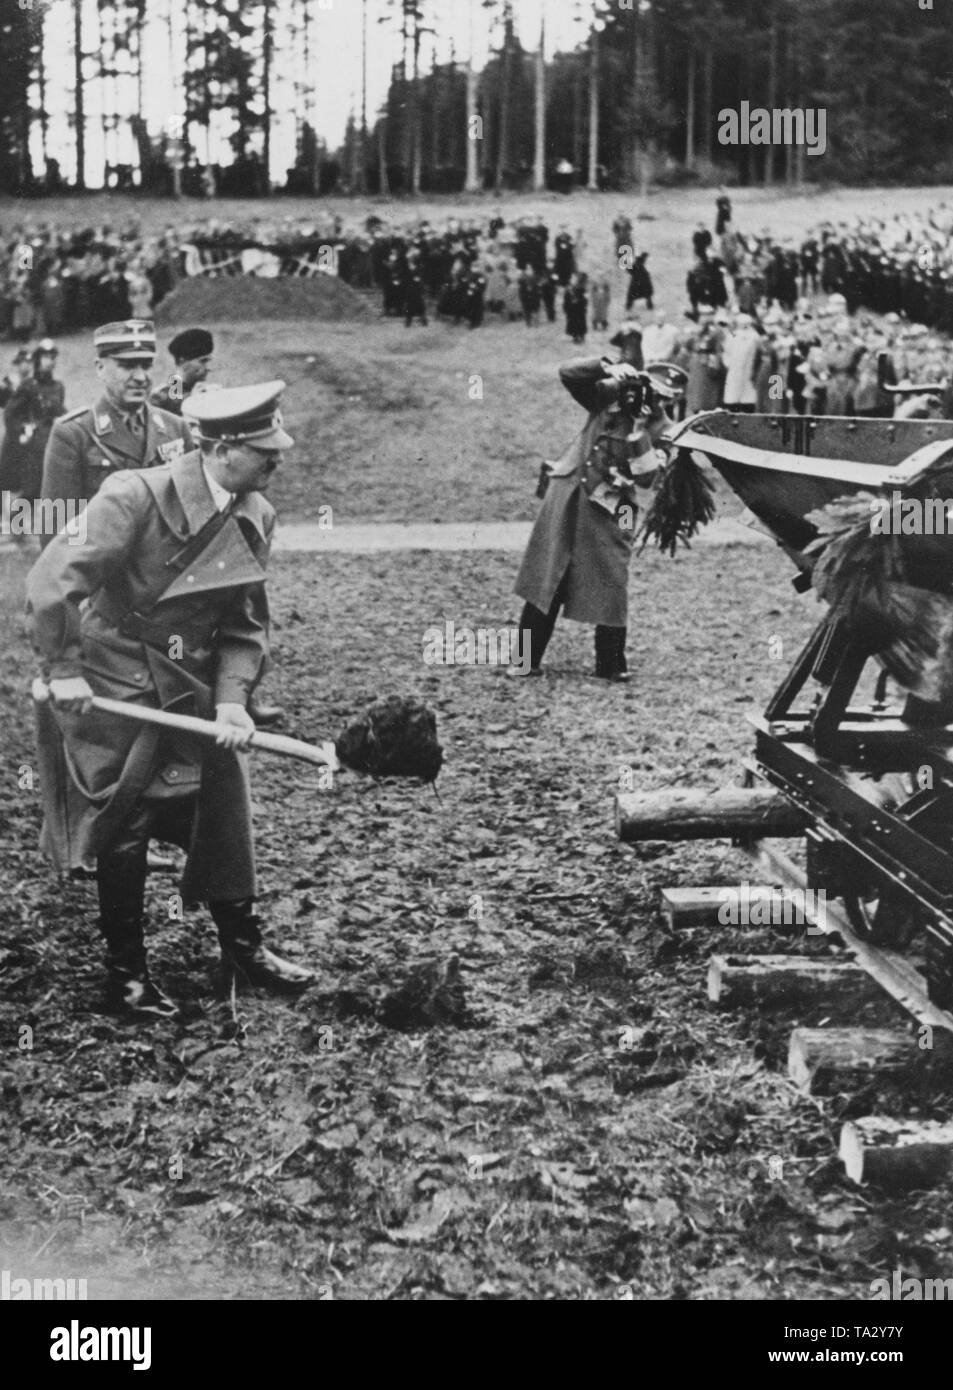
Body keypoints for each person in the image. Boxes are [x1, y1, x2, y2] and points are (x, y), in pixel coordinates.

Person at [25, 381, 315, 1022]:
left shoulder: (254, 514)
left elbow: (244, 626)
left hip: (191, 684)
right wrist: (64, 668)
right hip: (114, 676)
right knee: (125, 818)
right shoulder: (133, 496)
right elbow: (53, 579)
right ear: (220, 448)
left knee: (219, 803)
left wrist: (234, 701)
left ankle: (244, 949)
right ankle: (126, 977)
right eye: (265, 450)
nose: (279, 459)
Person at [512, 358, 684, 682]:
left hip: (618, 505)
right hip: (569, 493)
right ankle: (524, 659)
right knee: (548, 573)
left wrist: (638, 431)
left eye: (660, 397)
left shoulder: (666, 430)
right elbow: (568, 373)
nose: (648, 399)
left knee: (613, 577)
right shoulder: (608, 398)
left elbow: (649, 478)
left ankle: (611, 665)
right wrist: (608, 367)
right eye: (647, 390)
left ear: (670, 400)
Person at [38, 320, 193, 548]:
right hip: (106, 576)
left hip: (167, 575)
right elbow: (57, 531)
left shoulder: (175, 428)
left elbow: (193, 512)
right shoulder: (73, 434)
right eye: (128, 365)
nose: (141, 377)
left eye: (146, 365)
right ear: (100, 367)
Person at [0, 340, 65, 518]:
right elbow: (10, 414)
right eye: (46, 357)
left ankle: (50, 534)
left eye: (53, 357)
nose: (50, 361)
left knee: (52, 488)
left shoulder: (58, 387)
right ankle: (16, 528)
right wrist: (23, 430)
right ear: (38, 359)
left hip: (53, 442)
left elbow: (60, 412)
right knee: (31, 489)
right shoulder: (28, 385)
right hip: (34, 445)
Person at [150, 327, 215, 415]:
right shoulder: (161, 396)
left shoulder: (204, 391)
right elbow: (174, 400)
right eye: (202, 361)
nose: (208, 368)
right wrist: (194, 400)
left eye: (208, 361)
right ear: (182, 361)